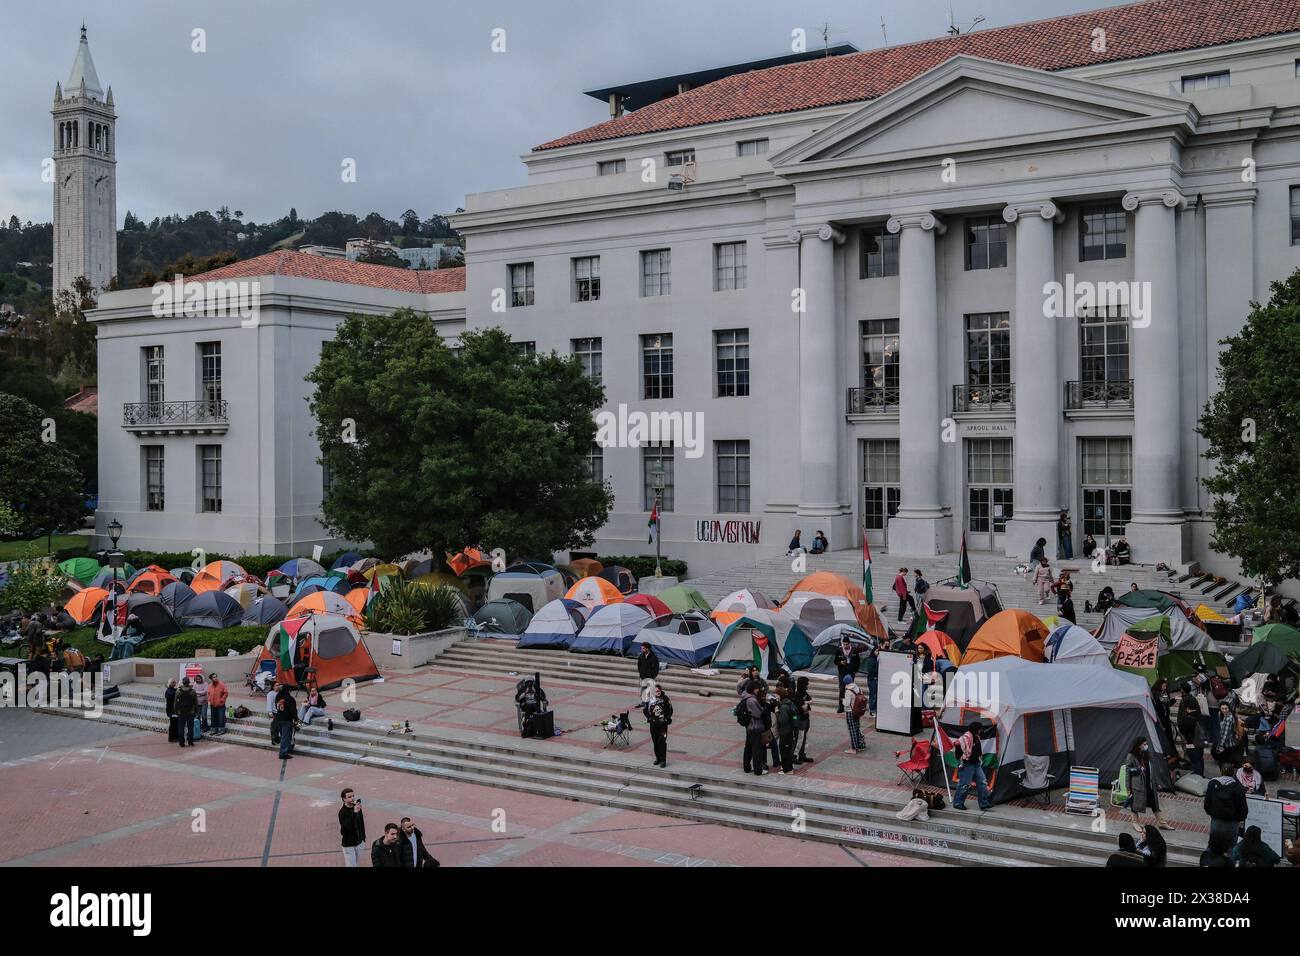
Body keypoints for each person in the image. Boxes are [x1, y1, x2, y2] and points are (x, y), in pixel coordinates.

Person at [1124, 736, 1172, 831]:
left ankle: (1161, 822)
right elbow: (1128, 771)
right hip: (1137, 785)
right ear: (1138, 745)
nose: (1146, 746)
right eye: (1144, 744)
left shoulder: (1146, 754)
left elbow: (1150, 770)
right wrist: (1128, 787)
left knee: (1154, 804)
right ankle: (1135, 822)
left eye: (1146, 744)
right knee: (1135, 804)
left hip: (1149, 783)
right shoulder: (1131, 756)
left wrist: (1155, 782)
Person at [1204, 766, 1249, 850]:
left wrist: (1212, 813)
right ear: (1233, 774)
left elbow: (1207, 803)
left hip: (1216, 820)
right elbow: (1243, 808)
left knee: (1213, 846)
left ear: (1221, 772)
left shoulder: (1213, 784)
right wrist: (1239, 819)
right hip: (1232, 823)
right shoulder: (1238, 787)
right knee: (1231, 848)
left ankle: (1209, 862)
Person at [953, 721, 992, 811]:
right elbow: (957, 744)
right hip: (967, 765)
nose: (981, 731)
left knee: (982, 782)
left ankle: (984, 804)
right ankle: (958, 803)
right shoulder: (966, 737)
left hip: (976, 764)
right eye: (979, 729)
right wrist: (961, 757)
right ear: (976, 729)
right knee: (964, 784)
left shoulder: (976, 737)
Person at [740, 681, 767, 776]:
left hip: (749, 727)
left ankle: (747, 767)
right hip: (755, 727)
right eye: (757, 688)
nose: (758, 690)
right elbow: (758, 713)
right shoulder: (752, 700)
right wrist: (763, 707)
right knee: (756, 749)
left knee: (748, 747)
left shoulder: (745, 696)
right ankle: (758, 770)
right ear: (752, 689)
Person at [644, 683, 672, 768]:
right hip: (653, 725)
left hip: (663, 725)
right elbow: (645, 710)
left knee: (661, 741)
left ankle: (663, 760)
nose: (658, 692)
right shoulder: (649, 699)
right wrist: (649, 718)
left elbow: (670, 710)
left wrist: (667, 718)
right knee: (655, 742)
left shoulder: (665, 699)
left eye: (659, 691)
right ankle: (658, 758)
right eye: (656, 691)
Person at [338, 788, 366, 867]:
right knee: (351, 865)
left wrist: (363, 838)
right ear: (344, 799)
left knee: (355, 864)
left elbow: (361, 823)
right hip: (349, 845)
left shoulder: (356, 807)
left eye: (353, 796)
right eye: (349, 797)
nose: (352, 798)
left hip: (359, 842)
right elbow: (347, 827)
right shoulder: (342, 812)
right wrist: (354, 813)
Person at [1211, 701, 1242, 767]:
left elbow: (1225, 734)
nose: (1224, 710)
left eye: (1226, 708)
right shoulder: (1226, 715)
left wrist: (1220, 746)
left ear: (1229, 708)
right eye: (1223, 708)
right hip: (1230, 742)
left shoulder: (1228, 719)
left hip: (1226, 743)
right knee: (1228, 760)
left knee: (1224, 761)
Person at [775, 685, 798, 774]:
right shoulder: (789, 703)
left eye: (776, 694)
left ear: (780, 695)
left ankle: (787, 769)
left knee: (784, 750)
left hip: (785, 731)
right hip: (789, 730)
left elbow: (783, 720)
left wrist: (777, 713)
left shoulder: (784, 707)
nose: (775, 696)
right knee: (787, 750)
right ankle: (787, 767)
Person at [833, 637, 860, 713]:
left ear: (849, 643)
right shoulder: (839, 650)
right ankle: (841, 707)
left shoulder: (854, 650)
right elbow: (835, 661)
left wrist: (855, 671)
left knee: (850, 690)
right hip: (842, 672)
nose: (845, 646)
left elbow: (858, 662)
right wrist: (840, 663)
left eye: (846, 644)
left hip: (850, 672)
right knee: (842, 690)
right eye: (844, 644)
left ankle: (850, 706)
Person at [842, 675, 866, 755]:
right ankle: (860, 745)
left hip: (850, 712)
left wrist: (843, 700)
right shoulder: (858, 688)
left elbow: (846, 704)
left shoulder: (848, 691)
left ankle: (854, 748)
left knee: (852, 730)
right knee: (857, 728)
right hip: (858, 711)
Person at [272, 682, 297, 759]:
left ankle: (288, 748)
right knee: (286, 736)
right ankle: (283, 753)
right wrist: (296, 719)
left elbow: (276, 708)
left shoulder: (278, 697)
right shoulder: (289, 699)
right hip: (286, 720)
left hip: (278, 719)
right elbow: (293, 710)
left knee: (284, 735)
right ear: (288, 690)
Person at [793, 676, 813, 765]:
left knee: (806, 737)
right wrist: (806, 703)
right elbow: (801, 706)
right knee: (799, 738)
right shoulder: (797, 694)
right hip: (800, 718)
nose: (808, 685)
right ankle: (794, 755)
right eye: (807, 683)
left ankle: (802, 754)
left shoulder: (804, 693)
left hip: (805, 717)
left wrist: (806, 703)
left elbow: (810, 700)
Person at [174, 677, 197, 748]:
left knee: (181, 728)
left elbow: (175, 702)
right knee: (190, 728)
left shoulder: (178, 691)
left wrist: (176, 711)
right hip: (190, 712)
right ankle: (190, 742)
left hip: (181, 712)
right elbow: (195, 702)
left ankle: (181, 743)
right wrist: (195, 711)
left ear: (183, 683)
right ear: (188, 682)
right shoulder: (193, 691)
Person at [863, 642, 880, 718]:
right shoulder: (871, 659)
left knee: (875, 695)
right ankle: (872, 710)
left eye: (878, 651)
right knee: (873, 695)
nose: (877, 653)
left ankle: (875, 709)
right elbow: (870, 670)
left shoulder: (878, 659)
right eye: (876, 651)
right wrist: (877, 670)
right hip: (872, 680)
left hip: (877, 679)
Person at [164, 677, 179, 742]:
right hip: (171, 710)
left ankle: (175, 737)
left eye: (175, 682)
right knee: (173, 724)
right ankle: (171, 738)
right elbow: (170, 696)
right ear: (170, 683)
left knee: (176, 724)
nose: (174, 683)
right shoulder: (168, 691)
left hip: (175, 710)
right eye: (173, 682)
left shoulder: (174, 690)